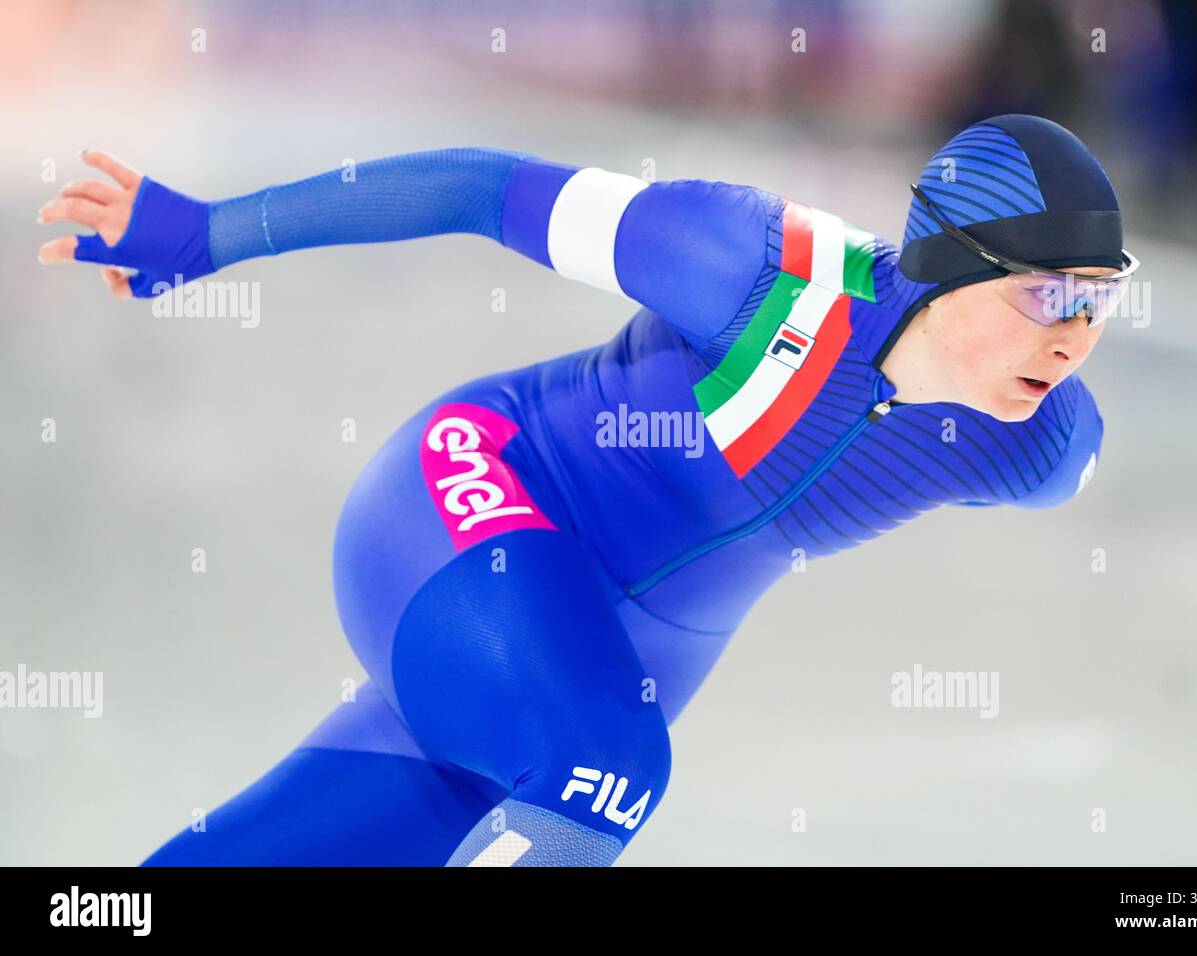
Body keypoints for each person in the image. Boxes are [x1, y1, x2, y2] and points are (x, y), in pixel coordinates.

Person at [37, 114, 1138, 866]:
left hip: (609, 653)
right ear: (949, 262)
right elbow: (481, 189)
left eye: (1096, 300)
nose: (1075, 337)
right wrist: (208, 232)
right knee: (602, 763)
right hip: (475, 499)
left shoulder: (1035, 445)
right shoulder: (750, 268)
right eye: (1046, 294)